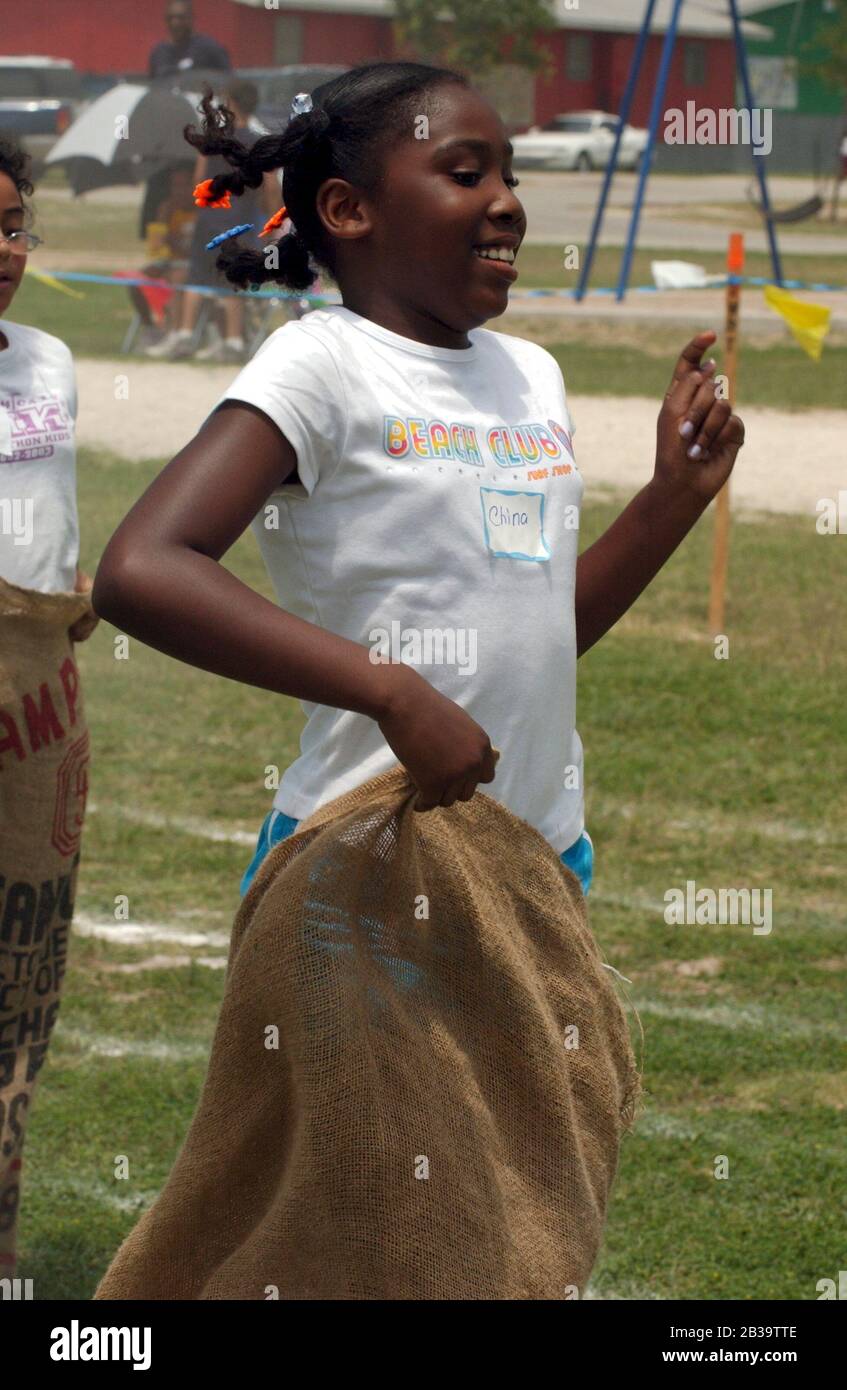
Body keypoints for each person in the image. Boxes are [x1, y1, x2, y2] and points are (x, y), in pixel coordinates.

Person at [92, 61, 744, 914]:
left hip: (535, 852)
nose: (507, 200)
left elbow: (542, 629)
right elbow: (141, 568)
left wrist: (672, 497)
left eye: (509, 174)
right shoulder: (321, 363)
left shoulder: (530, 375)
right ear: (348, 209)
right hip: (363, 865)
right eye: (465, 173)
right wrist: (391, 691)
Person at [0, 134, 97, 1274]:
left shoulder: (51, 360)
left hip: (38, 695)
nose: (5, 247)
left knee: (19, 972)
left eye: (17, 223)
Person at [148, 81, 280, 362]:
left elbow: (198, 181)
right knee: (233, 281)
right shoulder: (258, 143)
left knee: (198, 277)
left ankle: (184, 336)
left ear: (231, 103)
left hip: (209, 219)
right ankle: (232, 341)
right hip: (240, 220)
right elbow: (269, 187)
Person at [148, 0, 231, 80]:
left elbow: (228, 83)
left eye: (181, 18)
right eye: (170, 18)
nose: (175, 23)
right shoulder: (158, 53)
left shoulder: (210, 49)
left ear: (191, 18)